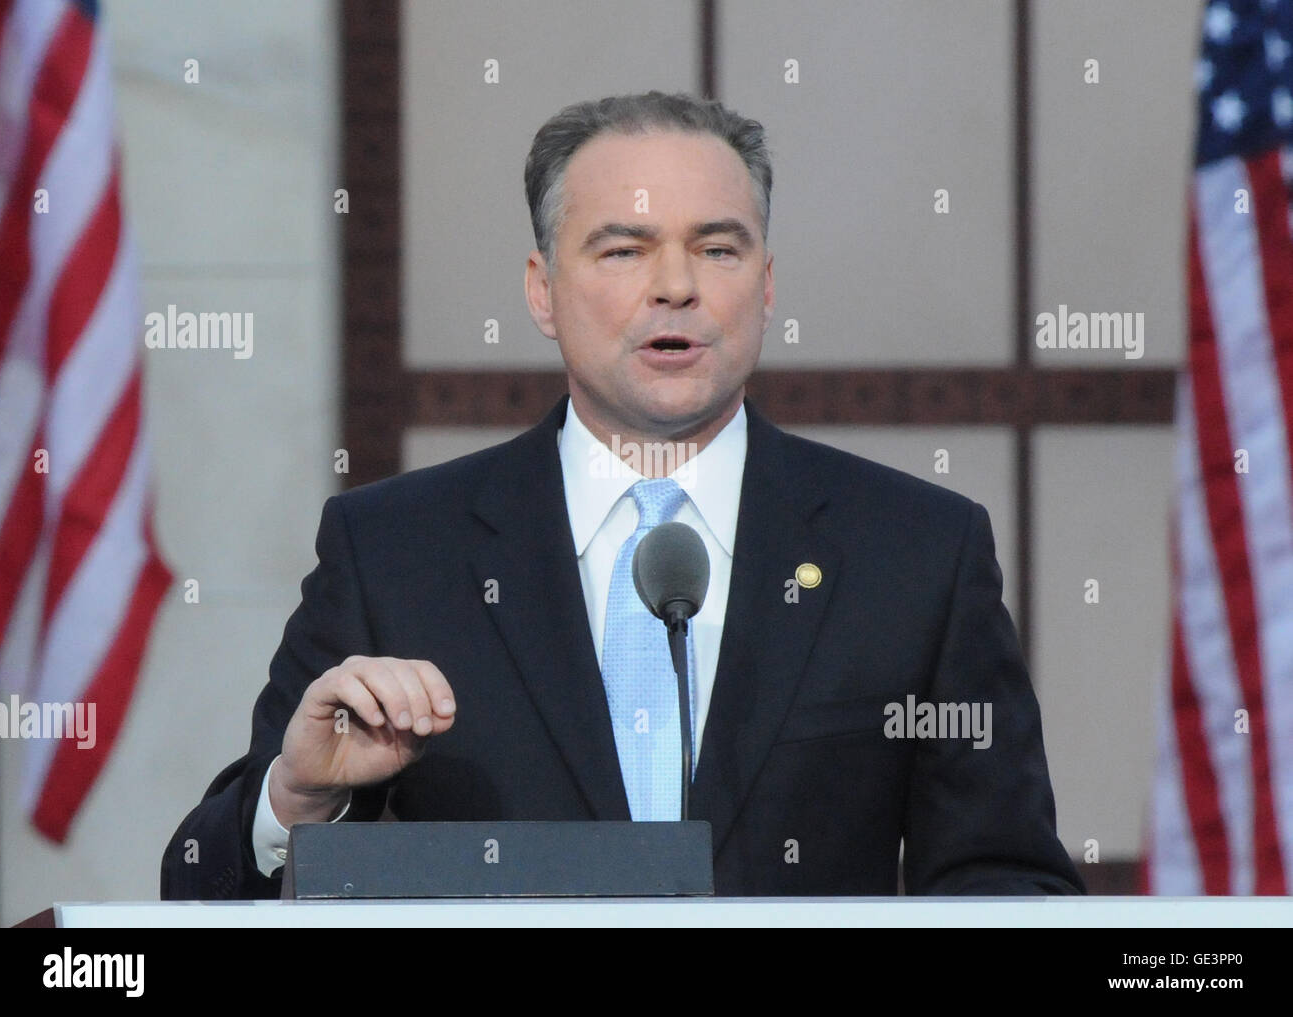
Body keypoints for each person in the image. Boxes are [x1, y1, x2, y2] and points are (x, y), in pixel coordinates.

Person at [161, 91, 1083, 899]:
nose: (675, 287)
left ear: (766, 289)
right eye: (623, 250)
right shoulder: (395, 551)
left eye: (717, 249)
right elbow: (200, 883)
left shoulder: (918, 551)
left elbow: (1005, 882)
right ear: (542, 292)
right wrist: (300, 797)